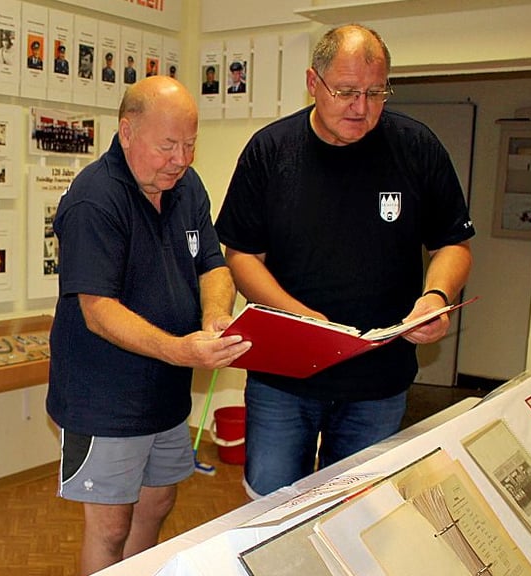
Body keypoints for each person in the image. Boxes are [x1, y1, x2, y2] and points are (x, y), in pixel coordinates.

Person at [214, 24, 475, 498]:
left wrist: (435, 297)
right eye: (347, 92)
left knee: (353, 511)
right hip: (284, 377)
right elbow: (242, 256)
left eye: (377, 93)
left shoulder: (416, 148)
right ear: (313, 84)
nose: (363, 108)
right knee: (269, 508)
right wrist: (301, 317)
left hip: (378, 382)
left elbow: (452, 243)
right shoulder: (271, 151)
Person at [47, 76, 251, 575]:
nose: (180, 159)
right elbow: (98, 311)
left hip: (164, 393)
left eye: (189, 144)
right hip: (104, 399)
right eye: (167, 145)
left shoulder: (186, 187)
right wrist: (183, 351)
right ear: (126, 132)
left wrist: (214, 318)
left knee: (157, 505)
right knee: (110, 526)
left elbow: (213, 265)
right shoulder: (95, 199)